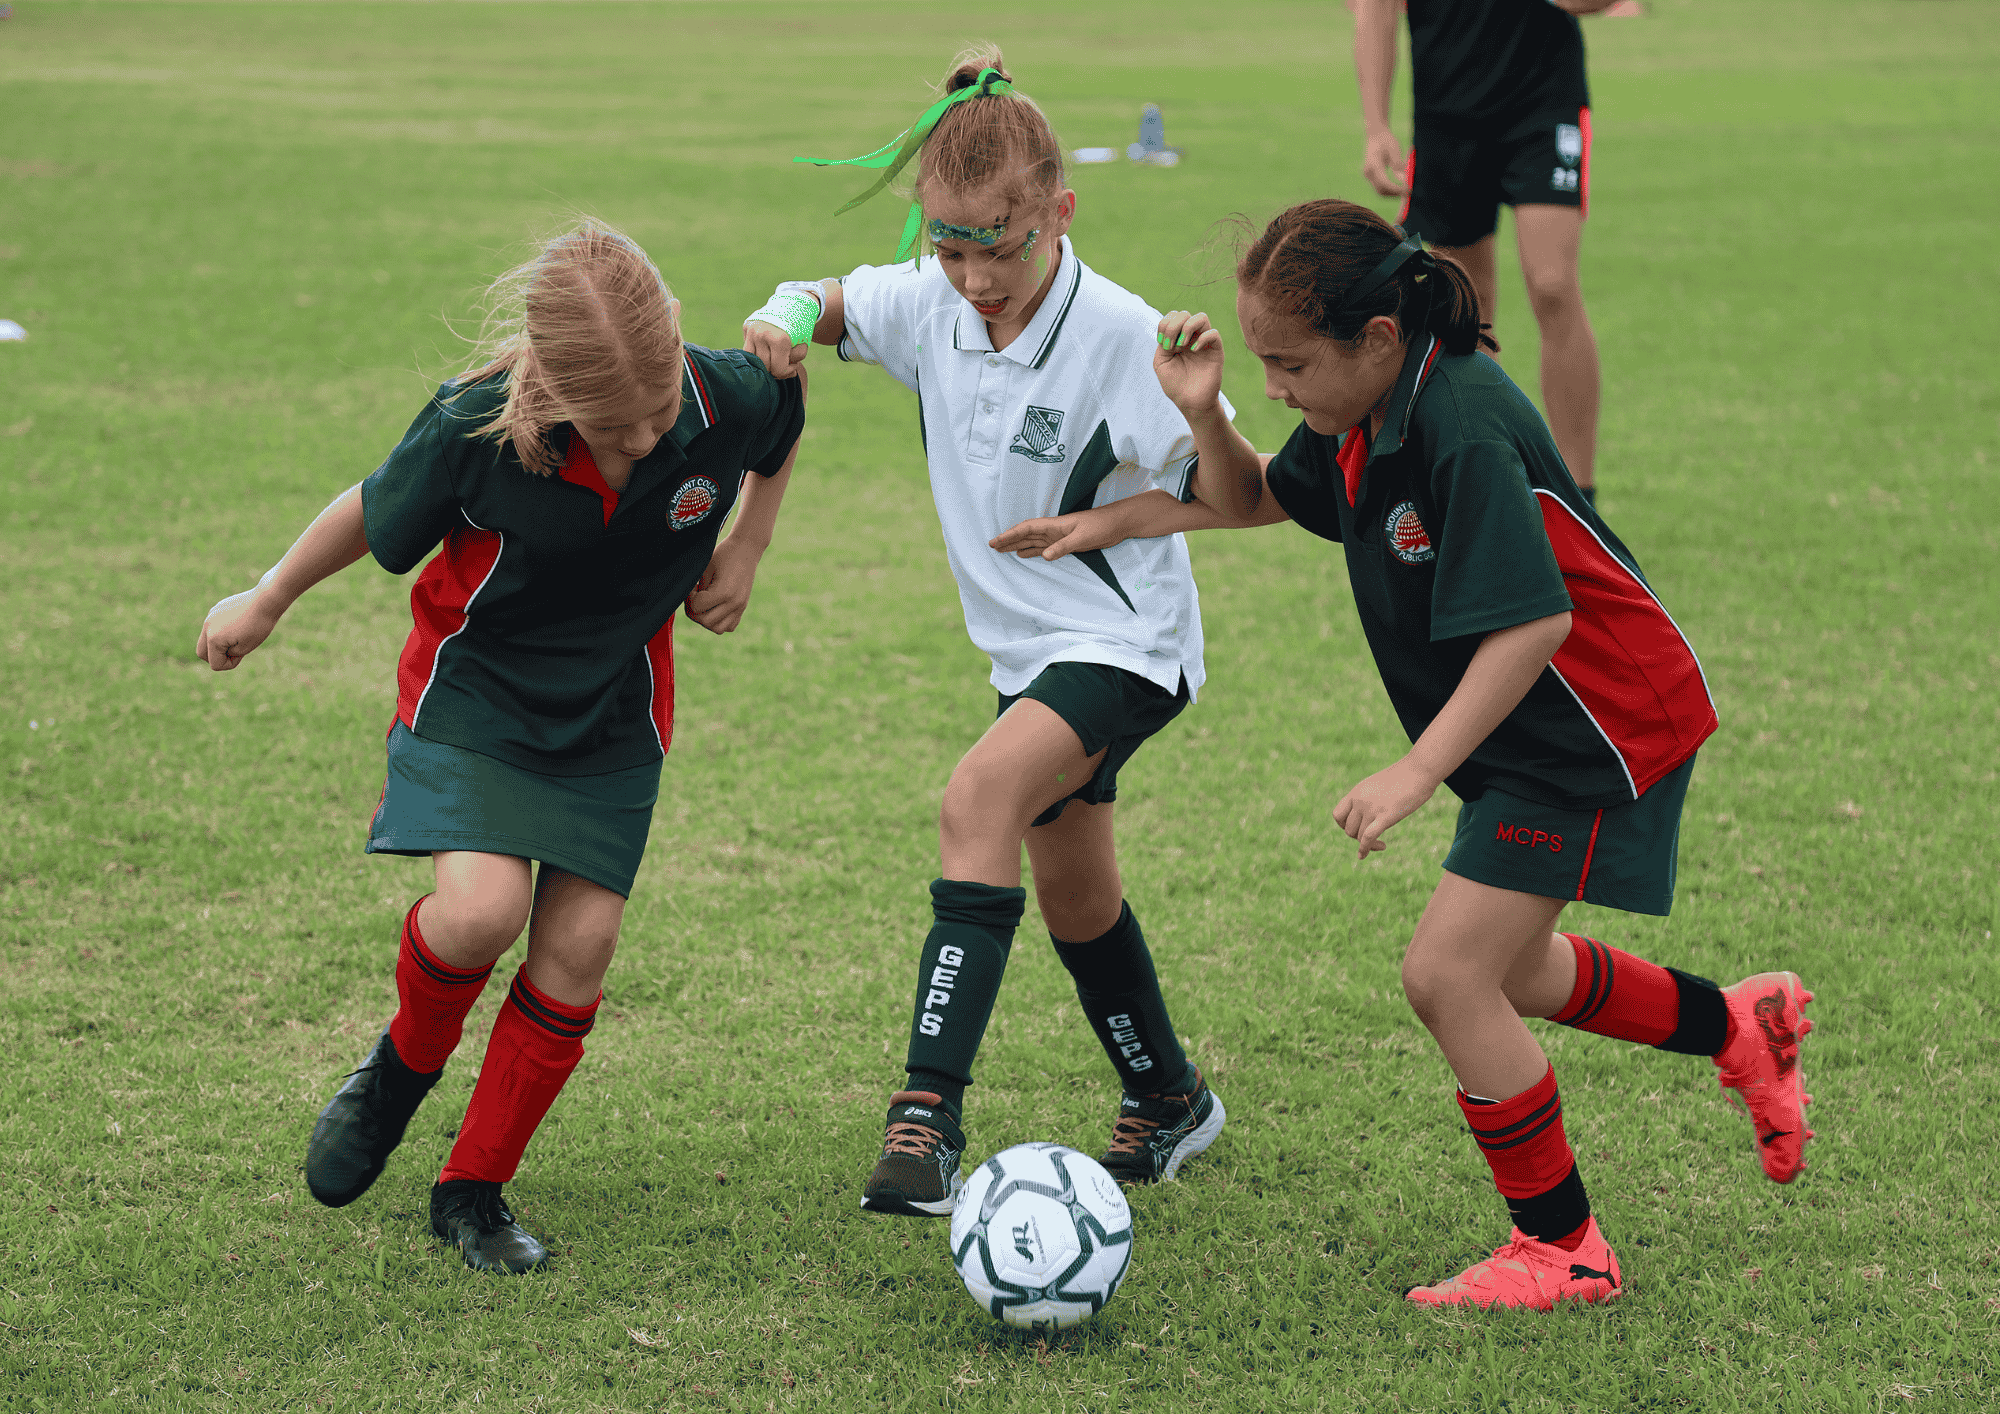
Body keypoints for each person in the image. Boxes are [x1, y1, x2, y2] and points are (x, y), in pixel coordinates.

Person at [994, 199, 1816, 1309]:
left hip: (1592, 723)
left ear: (1374, 337)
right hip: (1539, 725)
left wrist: (1416, 769)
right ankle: (1739, 1026)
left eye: (1287, 363)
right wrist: (1177, 444)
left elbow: (1533, 626)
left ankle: (1563, 1247)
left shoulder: (1456, 418)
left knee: (1446, 974)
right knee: (1512, 969)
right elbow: (1249, 498)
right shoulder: (1365, 411)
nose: (1273, 385)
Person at [195, 219, 806, 1273]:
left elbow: (781, 422)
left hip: (615, 705)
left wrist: (745, 545)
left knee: (578, 949)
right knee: (480, 912)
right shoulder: (474, 425)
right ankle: (401, 1068)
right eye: (615, 430)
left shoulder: (714, 397)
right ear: (554, 399)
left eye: (656, 418)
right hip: (475, 692)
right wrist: (269, 596)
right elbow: (370, 511)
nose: (647, 445)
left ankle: (472, 1188)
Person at [742, 48, 1227, 1216]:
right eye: (944, 245)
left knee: (975, 800)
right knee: (1073, 893)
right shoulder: (935, 300)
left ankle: (924, 1119)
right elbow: (825, 296)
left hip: (1124, 647)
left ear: (1059, 213)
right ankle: (1166, 1096)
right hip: (1031, 657)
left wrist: (1107, 511)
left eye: (994, 245)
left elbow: (1229, 491)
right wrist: (782, 317)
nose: (969, 276)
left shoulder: (1120, 334)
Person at [1354, 0, 1620, 503]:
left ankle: (1579, 495)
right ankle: (1485, 476)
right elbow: (1376, 11)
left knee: (1553, 285)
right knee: (1463, 311)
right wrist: (1376, 126)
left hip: (1545, 100)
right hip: (1447, 109)